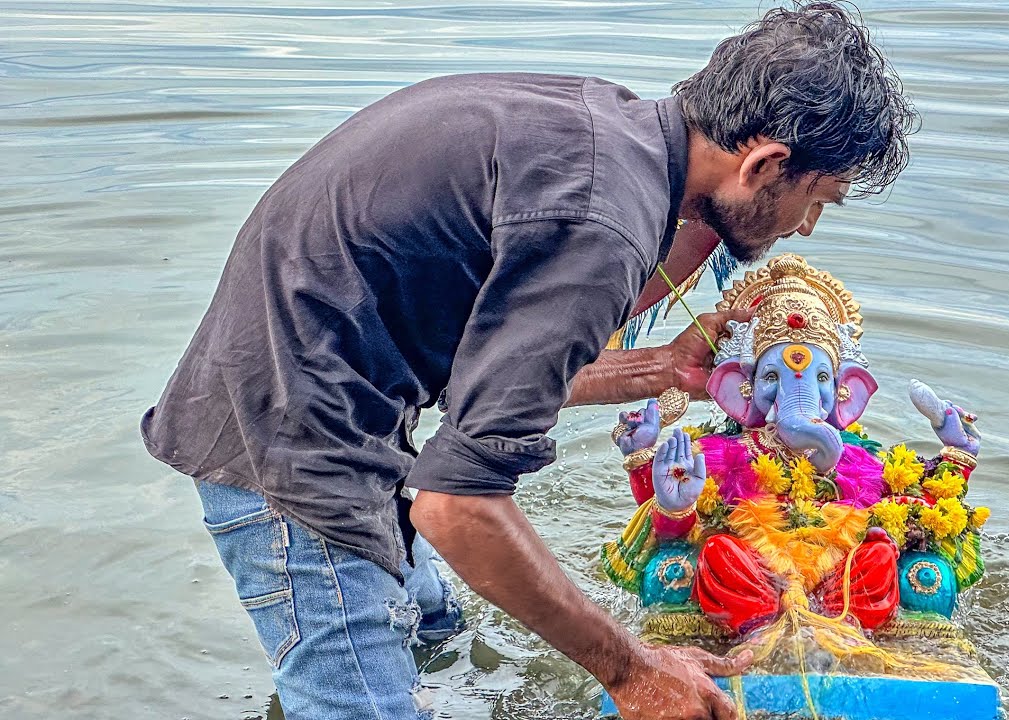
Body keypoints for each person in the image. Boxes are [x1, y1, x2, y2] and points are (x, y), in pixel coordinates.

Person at [140, 2, 918, 718]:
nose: (805, 227)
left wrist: (657, 368)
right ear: (764, 165)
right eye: (817, 200)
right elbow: (457, 506)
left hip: (343, 401)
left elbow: (486, 374)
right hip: (292, 445)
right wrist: (635, 672)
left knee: (437, 632)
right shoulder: (603, 221)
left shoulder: (614, 134)